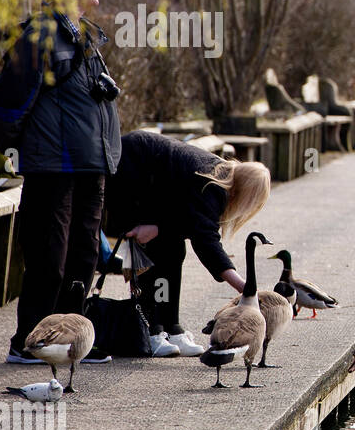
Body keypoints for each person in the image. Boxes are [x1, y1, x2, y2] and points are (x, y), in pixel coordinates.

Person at [0, 0, 122, 365]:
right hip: (54, 166)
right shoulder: (41, 36)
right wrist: (21, 149)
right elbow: (11, 98)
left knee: (82, 256)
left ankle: (70, 342)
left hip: (89, 166)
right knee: (49, 257)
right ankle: (28, 343)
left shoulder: (83, 33)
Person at [103, 130, 271, 356]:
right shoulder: (213, 187)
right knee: (155, 254)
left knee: (173, 251)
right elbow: (205, 241)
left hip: (150, 184)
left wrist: (159, 227)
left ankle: (172, 328)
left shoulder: (218, 174)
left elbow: (185, 217)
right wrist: (244, 287)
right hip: (131, 173)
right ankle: (150, 331)